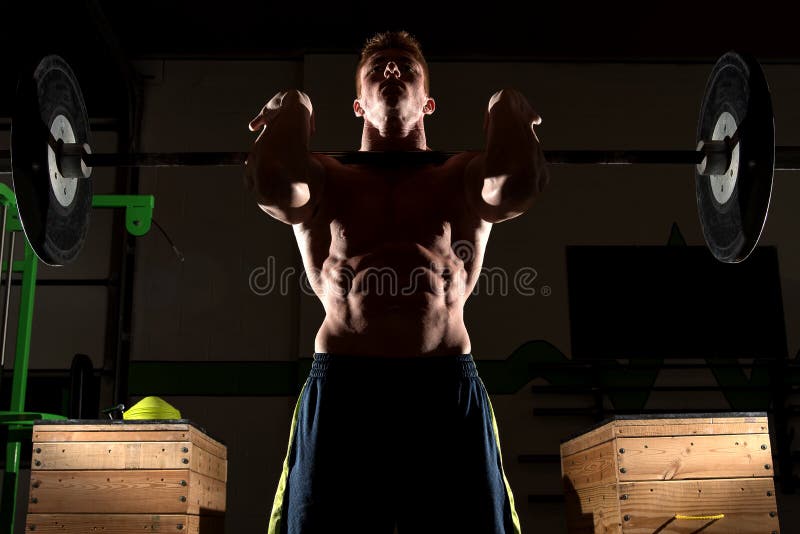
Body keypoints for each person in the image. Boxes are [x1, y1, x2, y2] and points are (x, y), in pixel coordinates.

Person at [245, 30, 548, 534]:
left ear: (428, 104)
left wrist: (505, 106)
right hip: (346, 389)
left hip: (443, 385)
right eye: (378, 67)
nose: (391, 71)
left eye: (405, 65)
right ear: (359, 106)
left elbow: (520, 181)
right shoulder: (325, 176)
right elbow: (271, 181)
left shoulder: (462, 175)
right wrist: (295, 106)